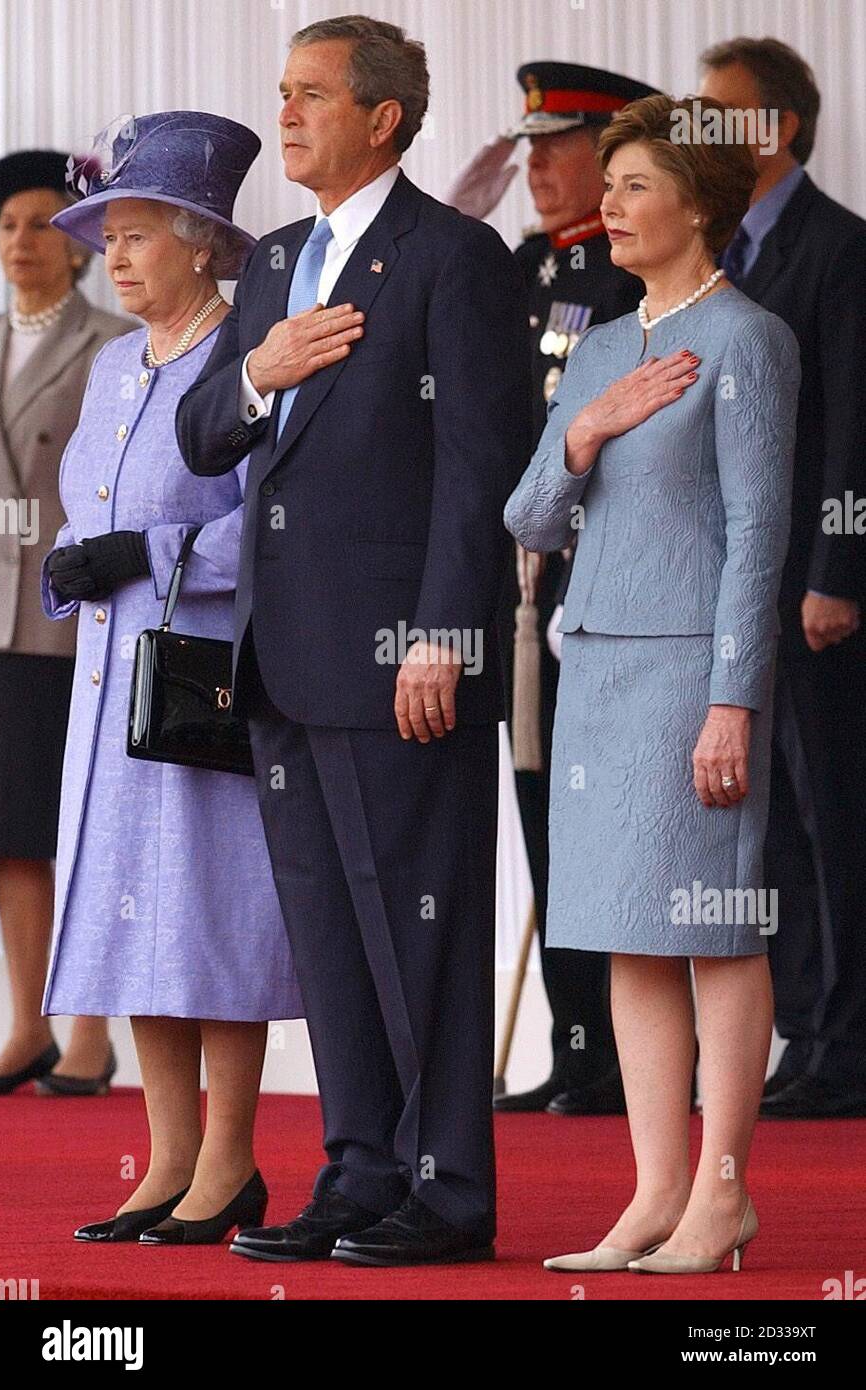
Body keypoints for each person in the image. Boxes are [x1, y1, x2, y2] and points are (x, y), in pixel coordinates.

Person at [177, 16, 530, 1266]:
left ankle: (445, 1193)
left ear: (383, 117)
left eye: (311, 94)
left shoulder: (457, 256)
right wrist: (260, 371)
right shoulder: (272, 265)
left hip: (402, 661)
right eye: (282, 92)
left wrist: (442, 633)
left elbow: (479, 469)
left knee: (419, 930)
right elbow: (204, 435)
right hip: (283, 657)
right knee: (328, 931)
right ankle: (358, 1169)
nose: (286, 114)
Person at [505, 94, 800, 1274]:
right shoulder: (603, 346)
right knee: (630, 938)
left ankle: (721, 1196)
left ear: (697, 203)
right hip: (599, 671)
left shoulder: (747, 339)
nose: (607, 205)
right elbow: (525, 512)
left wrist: (734, 699)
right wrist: (586, 432)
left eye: (631, 186)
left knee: (713, 931)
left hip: (693, 675)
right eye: (608, 185)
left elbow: (758, 536)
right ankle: (655, 1195)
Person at [39, 110, 303, 1244]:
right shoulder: (107, 364)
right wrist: (72, 554)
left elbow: (281, 532)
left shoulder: (247, 360)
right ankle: (169, 1159)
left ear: (202, 239)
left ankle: (232, 1164)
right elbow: (88, 501)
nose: (117, 255)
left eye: (137, 234)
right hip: (107, 686)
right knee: (133, 923)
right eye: (108, 238)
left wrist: (149, 556)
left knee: (212, 922)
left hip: (199, 686)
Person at [448, 63, 658, 1117]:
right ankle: (578, 1051)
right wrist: (457, 208)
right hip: (521, 586)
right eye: (526, 149)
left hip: (599, 585)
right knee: (541, 815)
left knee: (610, 818)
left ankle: (626, 1054)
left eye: (556, 148)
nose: (535, 166)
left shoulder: (629, 277)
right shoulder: (521, 266)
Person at [700, 37, 866, 1119]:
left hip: (812, 591)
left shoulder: (840, 248)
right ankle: (804, 1031)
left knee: (834, 813)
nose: (695, 131)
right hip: (731, 594)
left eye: (716, 115)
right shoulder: (715, 250)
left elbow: (854, 422)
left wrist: (836, 571)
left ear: (777, 129)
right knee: (765, 821)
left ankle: (847, 1045)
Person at [0, 149, 128, 1098]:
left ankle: (91, 1030)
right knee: (10, 828)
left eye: (40, 224)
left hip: (73, 613)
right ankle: (28, 1022)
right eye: (4, 225)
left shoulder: (115, 344)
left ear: (78, 246)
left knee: (83, 820)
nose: (19, 241)